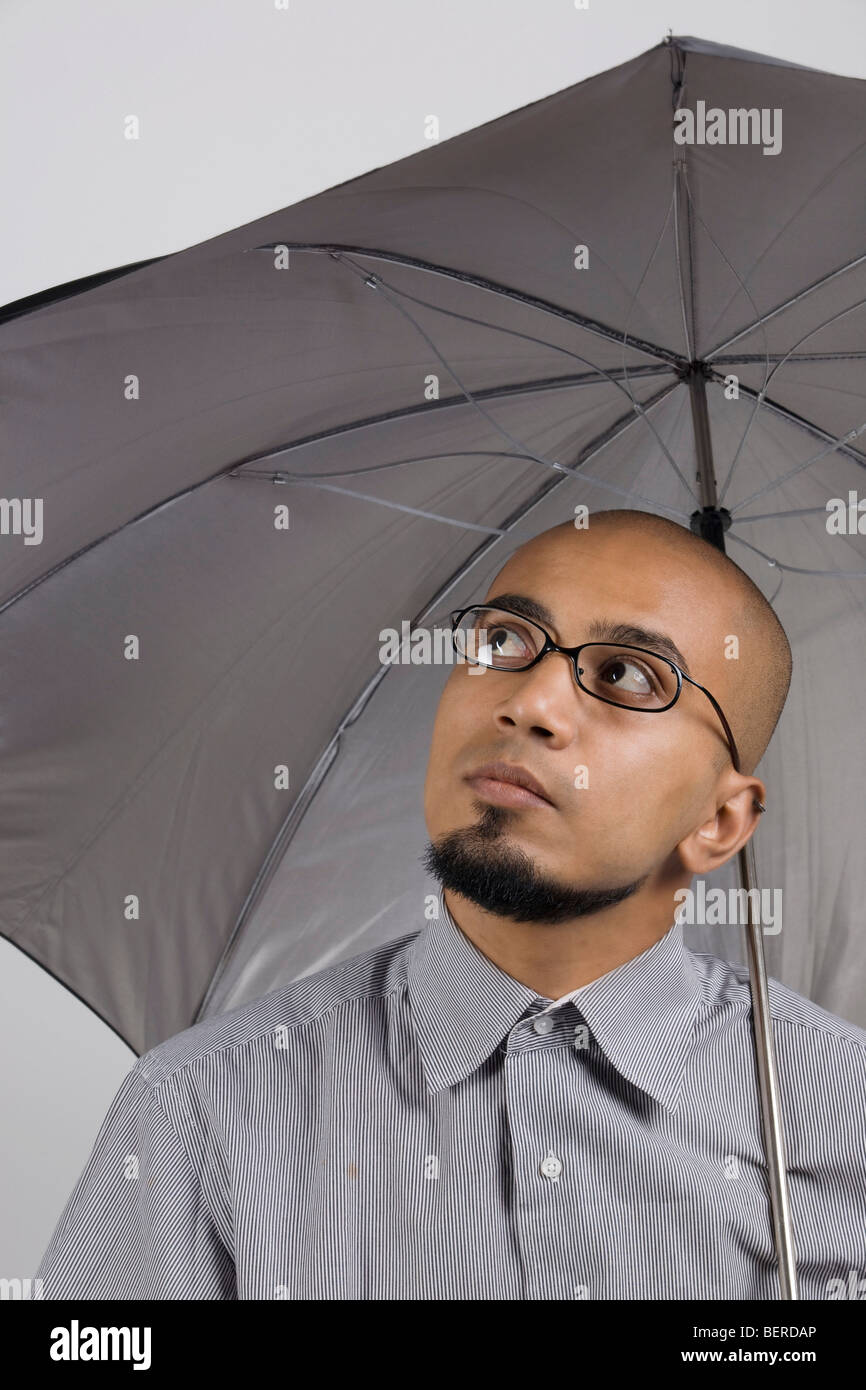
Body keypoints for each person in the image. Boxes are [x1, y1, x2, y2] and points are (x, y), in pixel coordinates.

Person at [33, 509, 866, 1299]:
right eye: (504, 640)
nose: (530, 702)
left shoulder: (842, 1111)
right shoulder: (201, 1108)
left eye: (624, 675)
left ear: (720, 823)